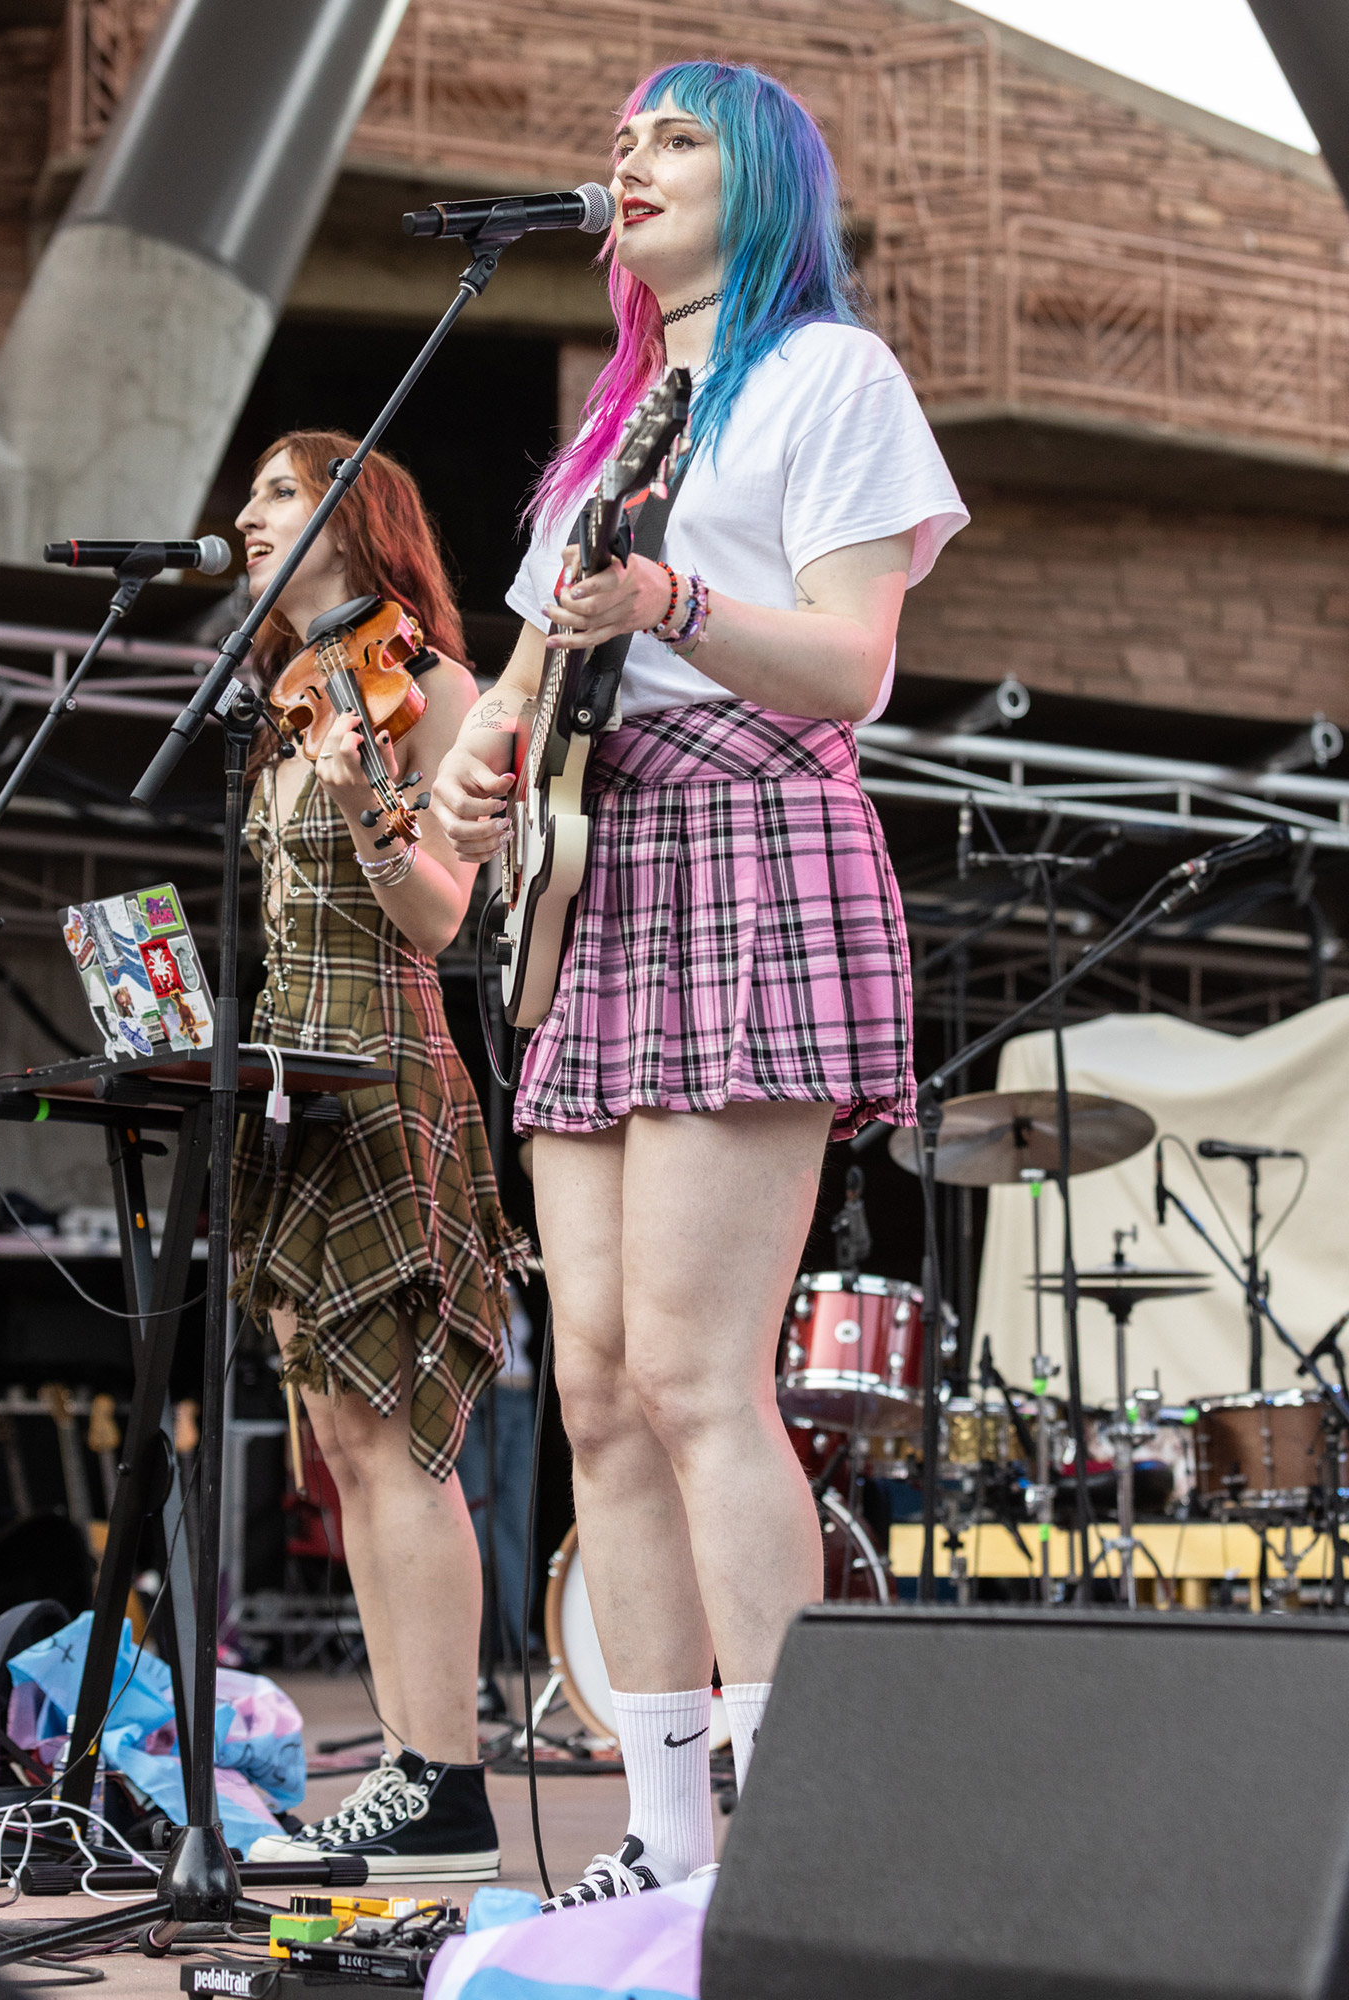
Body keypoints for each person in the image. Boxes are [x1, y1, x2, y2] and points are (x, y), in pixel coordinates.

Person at [432, 61, 967, 1906]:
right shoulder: (615, 419)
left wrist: (672, 607)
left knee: (694, 1370)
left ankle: (800, 1846)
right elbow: (521, 680)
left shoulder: (833, 377)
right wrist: (470, 762)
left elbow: (850, 670)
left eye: (670, 137)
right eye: (622, 139)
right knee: (584, 1384)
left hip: (751, 843)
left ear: (761, 178)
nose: (627, 162)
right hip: (599, 877)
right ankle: (664, 1853)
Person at [230, 429, 525, 1882]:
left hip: (385, 1066)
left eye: (276, 494)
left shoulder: (437, 688)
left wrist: (360, 804)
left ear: (358, 517)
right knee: (345, 1446)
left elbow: (441, 922)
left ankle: (445, 1778)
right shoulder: (292, 704)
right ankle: (408, 1772)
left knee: (404, 1438)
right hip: (297, 1076)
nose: (245, 519)